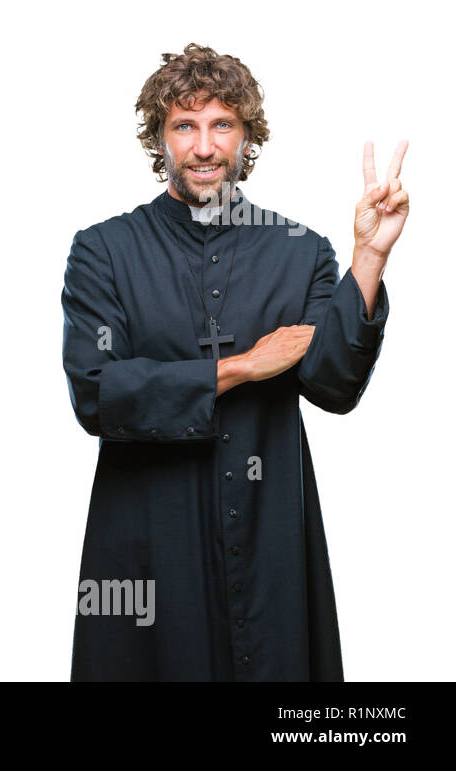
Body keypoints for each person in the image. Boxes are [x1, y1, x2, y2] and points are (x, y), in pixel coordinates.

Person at [61, 43, 409, 681]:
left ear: (248, 136)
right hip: (149, 537)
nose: (203, 147)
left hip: (270, 523)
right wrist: (243, 367)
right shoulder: (104, 250)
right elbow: (97, 391)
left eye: (222, 124)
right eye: (184, 126)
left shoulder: (301, 251)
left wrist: (369, 257)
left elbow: (333, 384)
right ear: (158, 137)